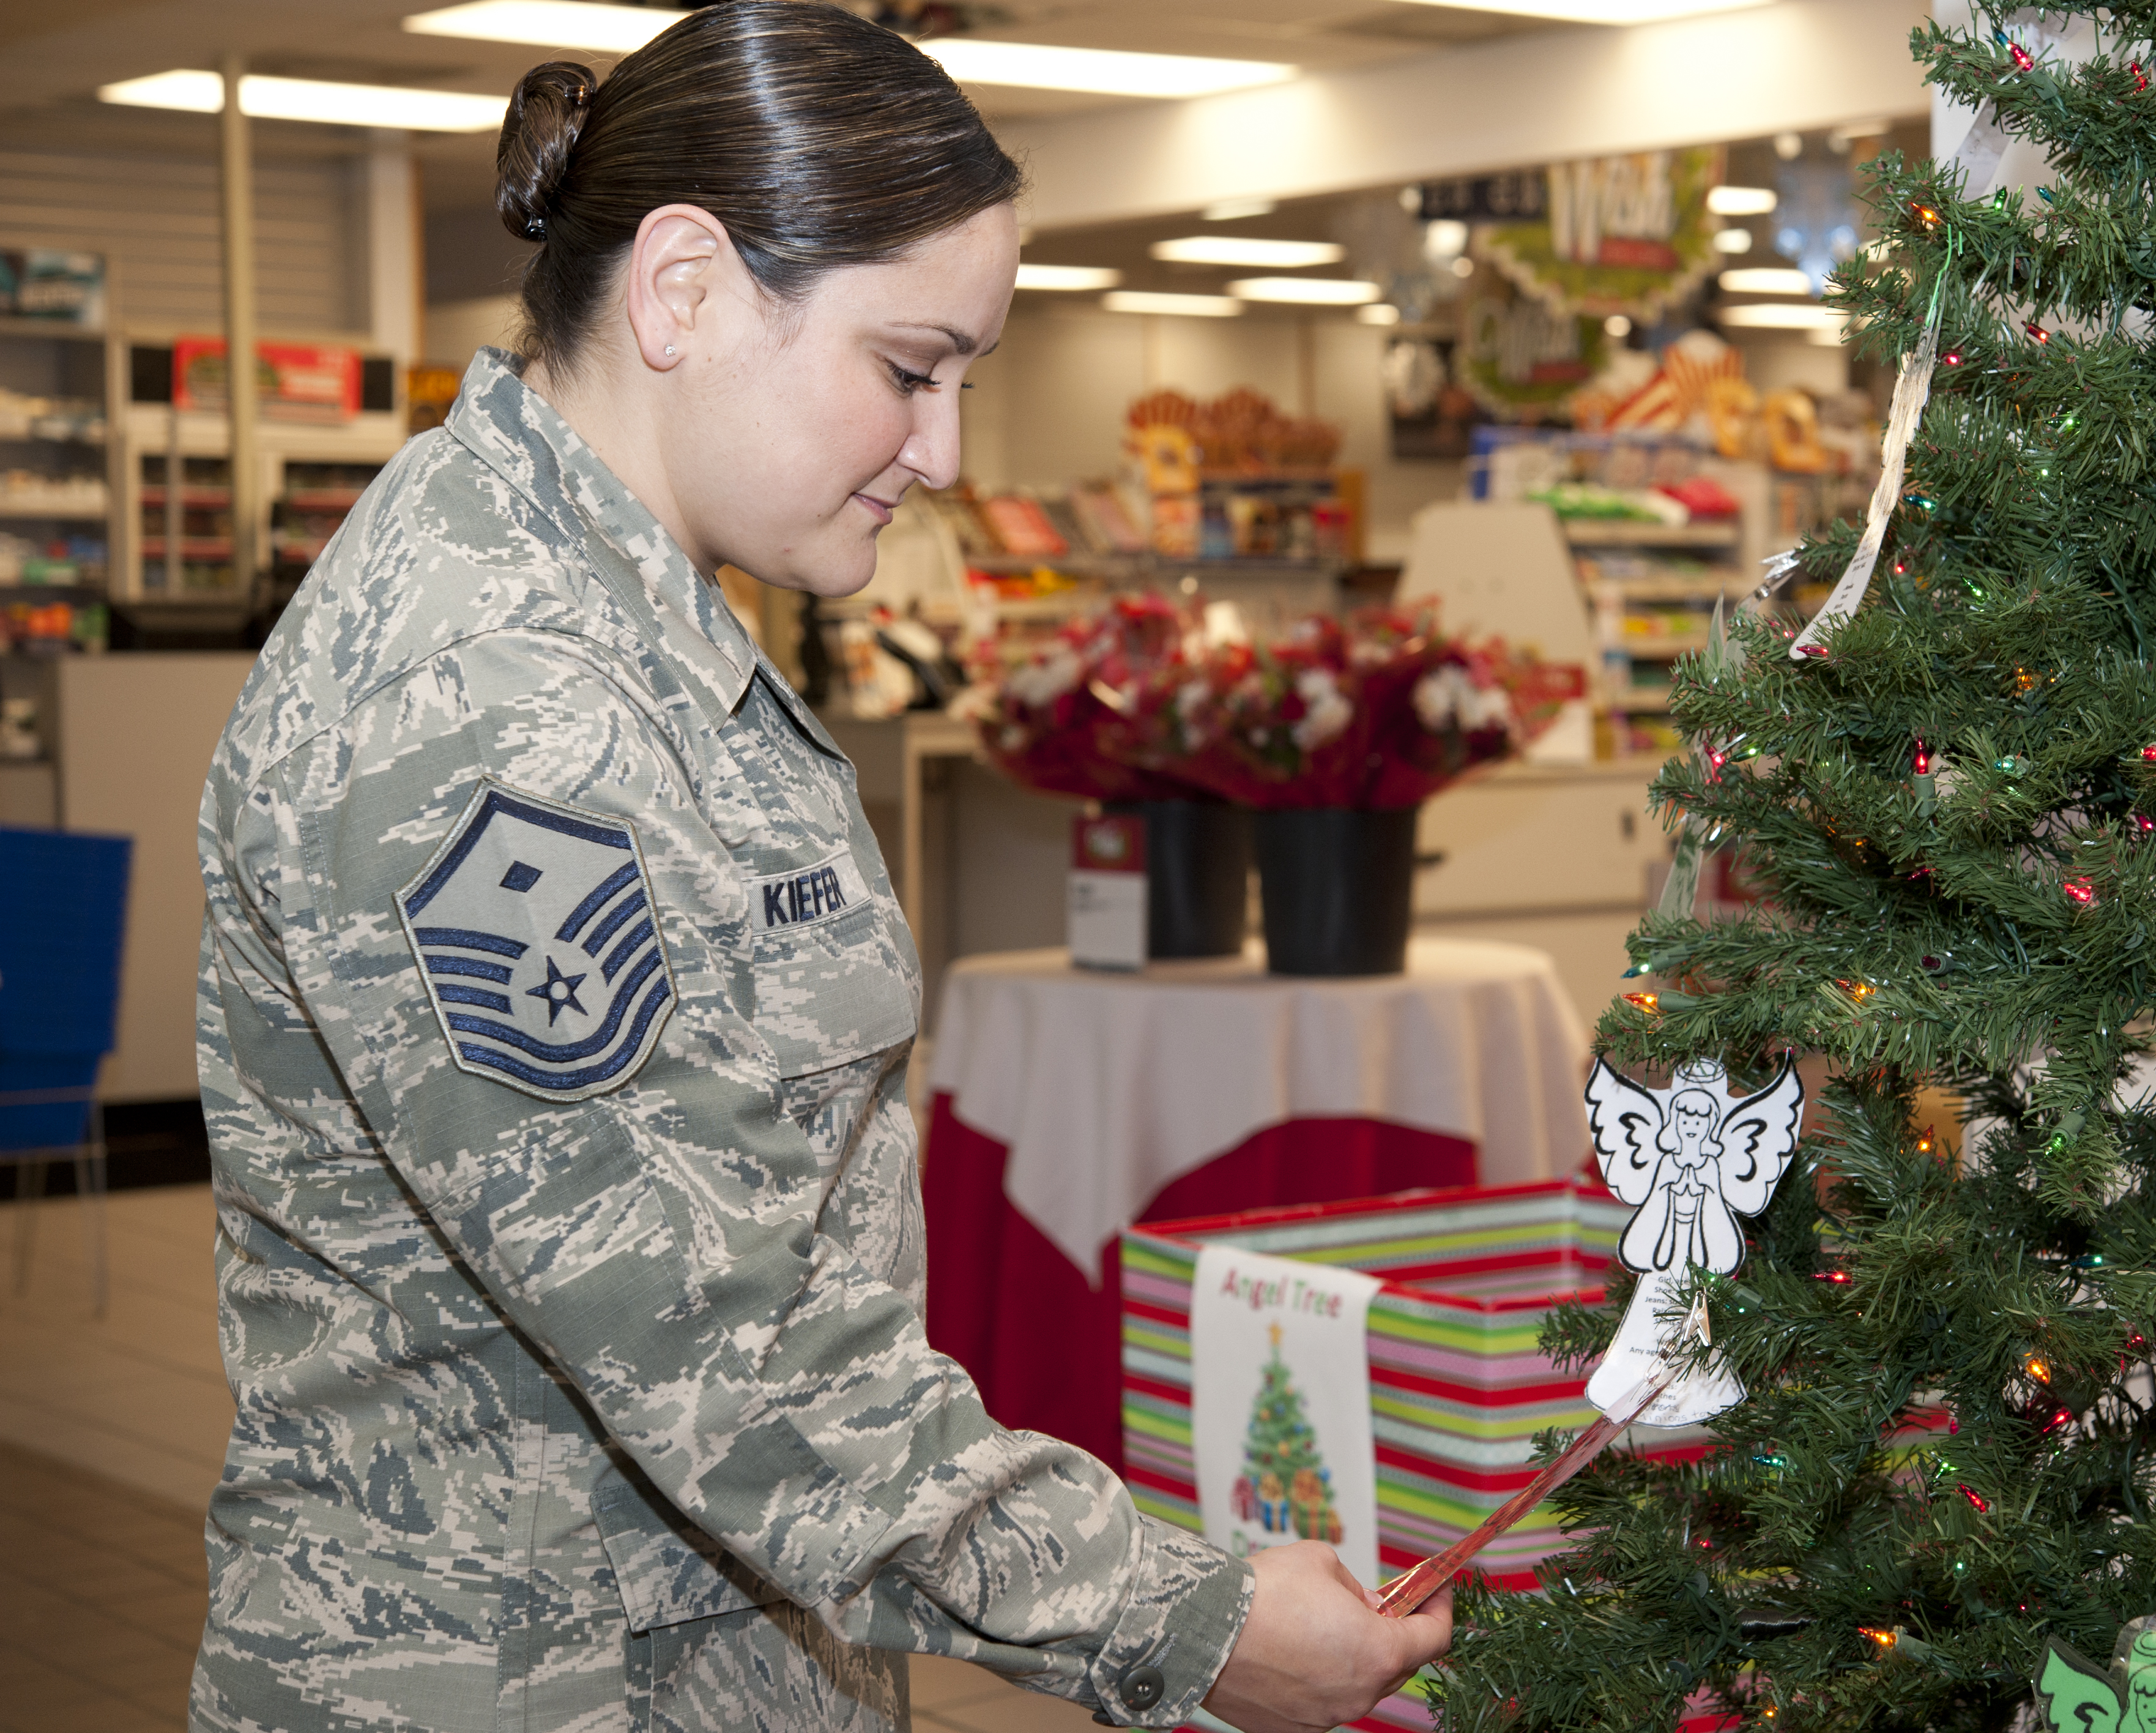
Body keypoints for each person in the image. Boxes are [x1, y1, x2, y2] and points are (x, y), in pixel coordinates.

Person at [189, 6, 1451, 1729]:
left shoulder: (623, 618)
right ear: (684, 291)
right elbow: (721, 1350)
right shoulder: (483, 693)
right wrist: (1187, 1620)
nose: (946, 454)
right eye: (909, 370)